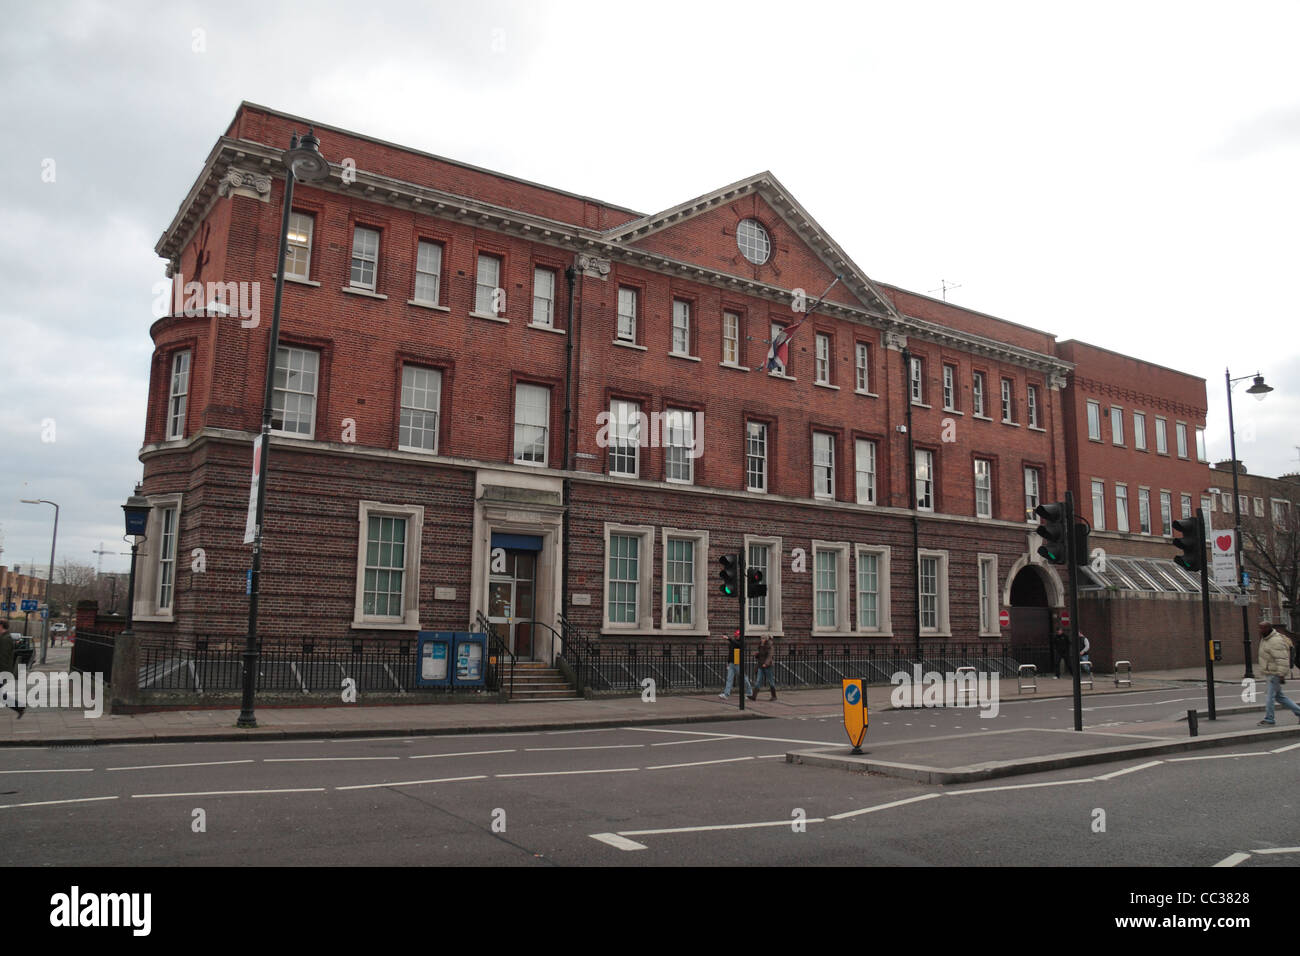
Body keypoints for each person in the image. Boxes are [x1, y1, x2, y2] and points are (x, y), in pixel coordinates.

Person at [1257, 620, 1300, 726]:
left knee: (1270, 697)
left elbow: (1282, 658)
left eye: (1262, 628)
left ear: (1269, 628)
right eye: (1260, 628)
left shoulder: (1275, 641)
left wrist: (1281, 674)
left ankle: (1269, 719)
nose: (1260, 630)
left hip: (1275, 673)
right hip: (1271, 672)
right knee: (1279, 697)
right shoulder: (1266, 639)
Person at [0, 621, 25, 719]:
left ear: (1, 626)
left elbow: (3, 658)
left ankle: (19, 707)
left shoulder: (6, 639)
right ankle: (19, 707)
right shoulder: (4, 638)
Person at [719, 630, 753, 700]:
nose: (736, 636)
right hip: (732, 662)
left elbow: (739, 645)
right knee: (729, 679)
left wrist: (729, 638)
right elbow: (731, 652)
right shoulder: (733, 642)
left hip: (738, 661)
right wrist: (728, 662)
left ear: (741, 635)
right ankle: (726, 694)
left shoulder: (742, 642)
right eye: (735, 635)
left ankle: (749, 693)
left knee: (743, 678)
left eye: (737, 635)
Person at [750, 635, 777, 701]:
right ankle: (754, 696)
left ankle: (774, 696)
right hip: (760, 665)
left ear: (766, 639)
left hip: (767, 666)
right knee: (758, 680)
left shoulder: (769, 646)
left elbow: (770, 655)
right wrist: (757, 655)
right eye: (761, 638)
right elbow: (760, 655)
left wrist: (766, 663)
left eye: (763, 638)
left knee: (770, 681)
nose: (762, 639)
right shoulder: (760, 645)